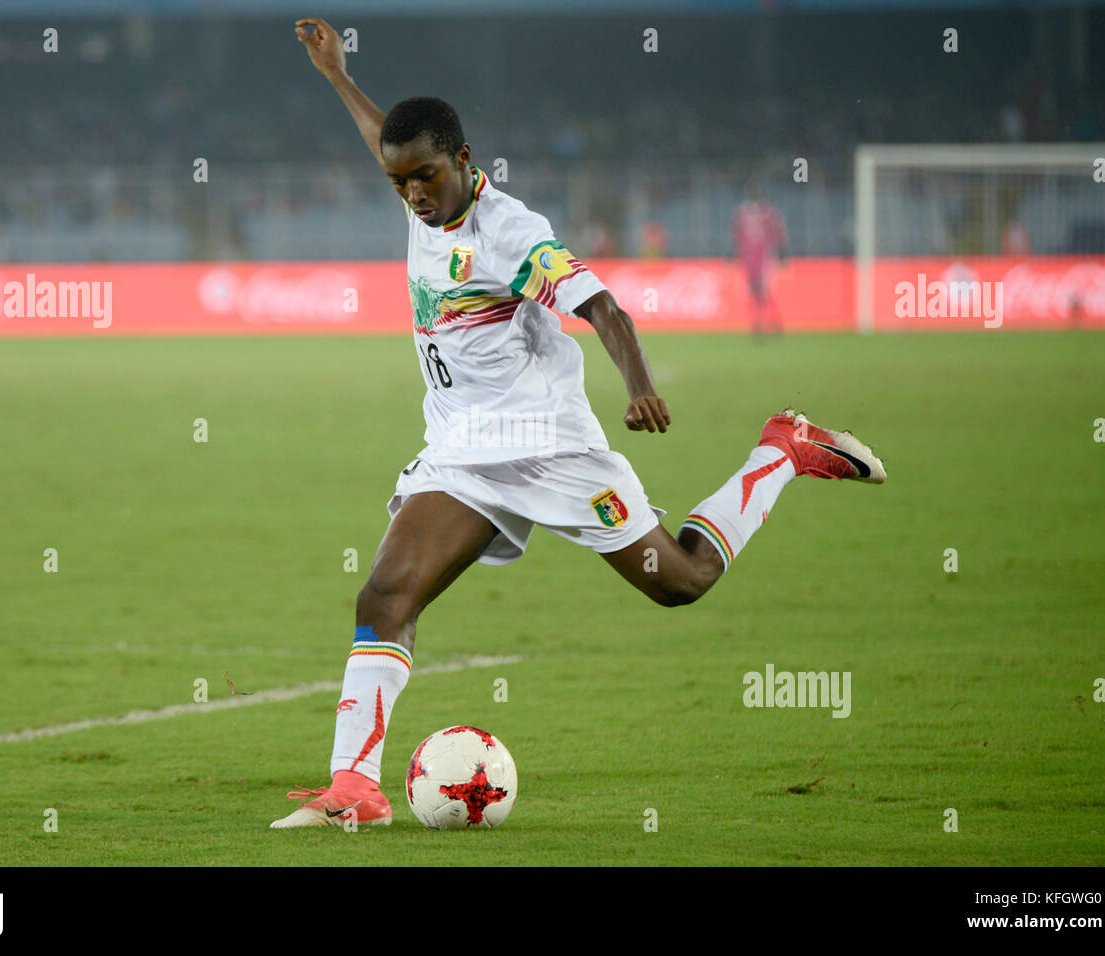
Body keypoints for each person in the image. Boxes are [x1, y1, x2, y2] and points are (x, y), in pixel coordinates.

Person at [276, 18, 886, 829]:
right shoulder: (423, 198)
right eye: (399, 185)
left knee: (682, 582)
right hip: (461, 454)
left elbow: (603, 307)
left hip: (551, 450)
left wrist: (639, 387)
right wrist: (336, 75)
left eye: (424, 177)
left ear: (463, 161)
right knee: (385, 595)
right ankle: (355, 787)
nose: (413, 195)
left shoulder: (512, 234)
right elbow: (382, 140)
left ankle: (781, 451)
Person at [731, 180, 788, 337]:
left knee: (764, 291)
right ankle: (758, 323)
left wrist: (782, 253)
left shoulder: (768, 212)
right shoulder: (743, 213)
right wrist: (736, 254)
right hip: (749, 260)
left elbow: (778, 233)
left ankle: (772, 321)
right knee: (754, 292)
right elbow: (736, 235)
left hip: (764, 258)